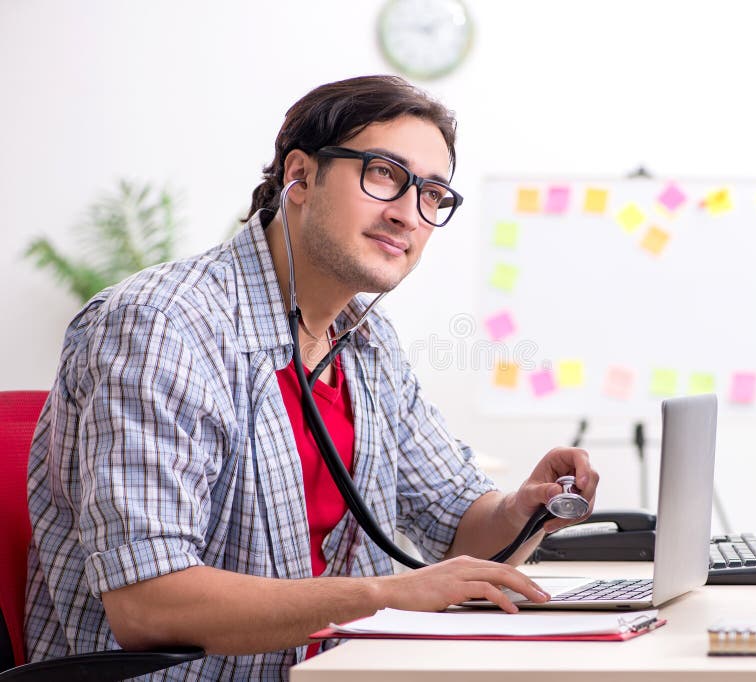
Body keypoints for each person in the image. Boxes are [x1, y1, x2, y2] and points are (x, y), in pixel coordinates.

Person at [25, 75, 599, 680]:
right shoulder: (160, 329)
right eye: (383, 173)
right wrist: (383, 597)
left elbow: (458, 531)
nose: (408, 214)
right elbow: (148, 603)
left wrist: (524, 510)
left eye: (433, 194)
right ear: (299, 175)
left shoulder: (366, 344)